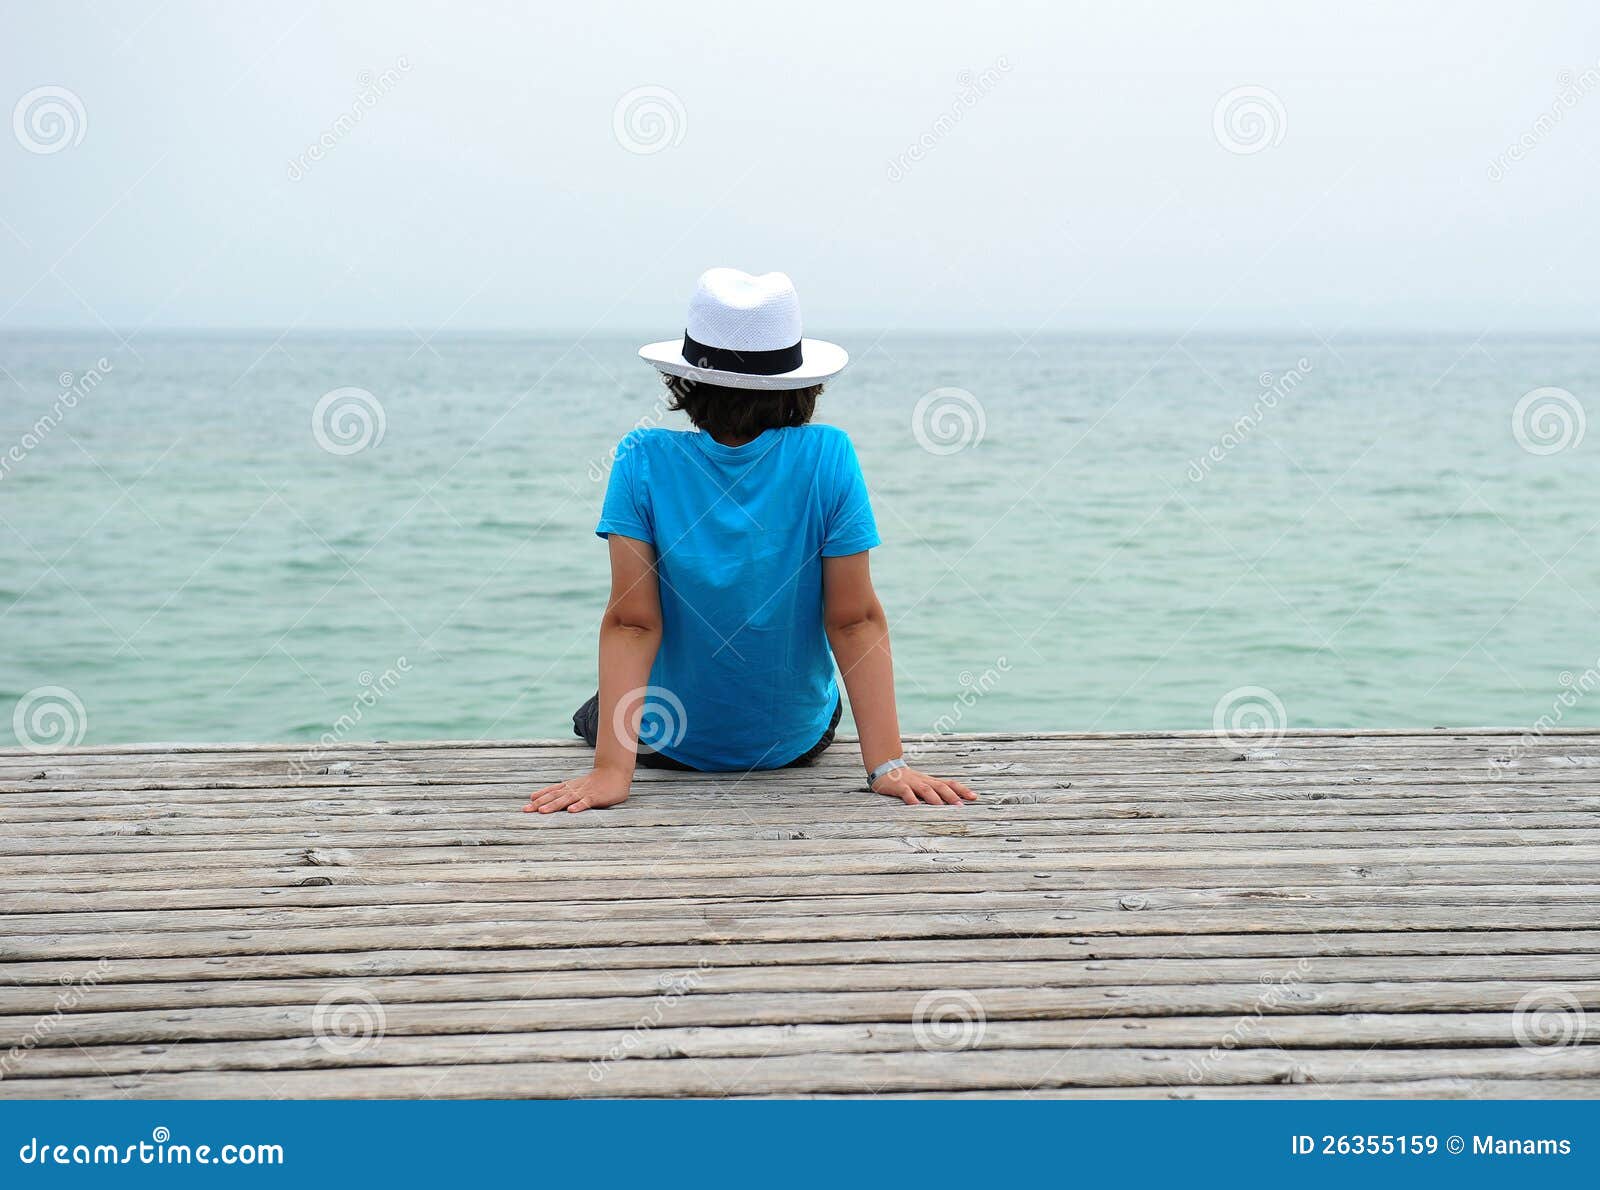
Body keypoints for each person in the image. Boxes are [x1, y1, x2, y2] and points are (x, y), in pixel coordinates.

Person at [525, 268, 975, 813]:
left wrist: (609, 771)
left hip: (672, 741)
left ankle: (616, 748)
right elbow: (853, 621)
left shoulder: (641, 457)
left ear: (683, 381)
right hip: (792, 741)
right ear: (801, 383)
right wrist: (888, 765)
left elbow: (632, 623)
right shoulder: (829, 455)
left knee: (598, 710)